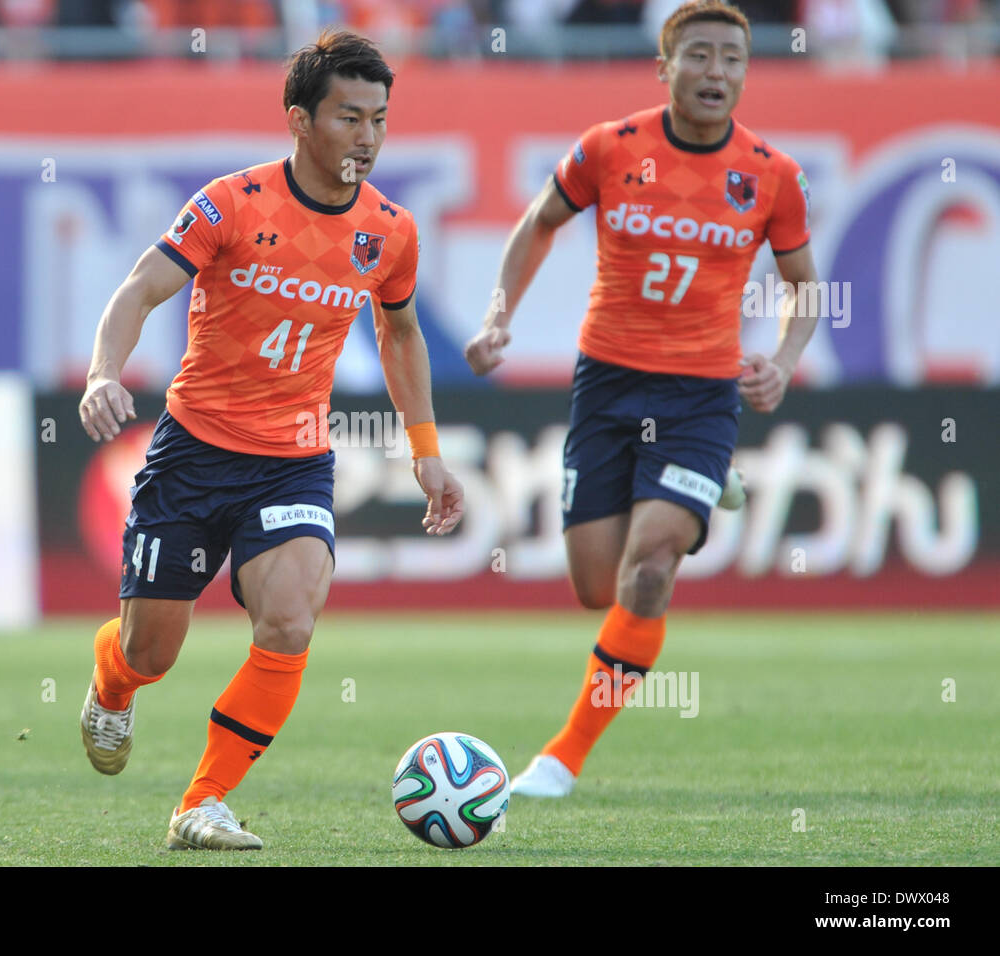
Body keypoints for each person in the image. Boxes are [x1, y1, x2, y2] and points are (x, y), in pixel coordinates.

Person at [77, 29, 464, 849]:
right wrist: (104, 372)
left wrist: (425, 449)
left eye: (380, 119)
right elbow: (140, 289)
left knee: (290, 620)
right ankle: (113, 688)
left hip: (293, 462)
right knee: (152, 651)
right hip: (193, 452)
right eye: (349, 117)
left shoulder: (391, 231)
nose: (367, 137)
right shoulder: (232, 203)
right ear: (299, 119)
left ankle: (202, 801)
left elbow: (401, 337)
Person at [465, 0, 819, 797]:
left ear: (745, 72)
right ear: (664, 68)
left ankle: (563, 757)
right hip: (609, 382)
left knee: (648, 574)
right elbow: (537, 224)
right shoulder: (610, 149)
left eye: (732, 59)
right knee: (597, 587)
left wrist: (786, 361)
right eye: (698, 56)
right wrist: (497, 318)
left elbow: (805, 287)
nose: (716, 73)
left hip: (701, 391)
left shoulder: (772, 175)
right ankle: (698, 486)